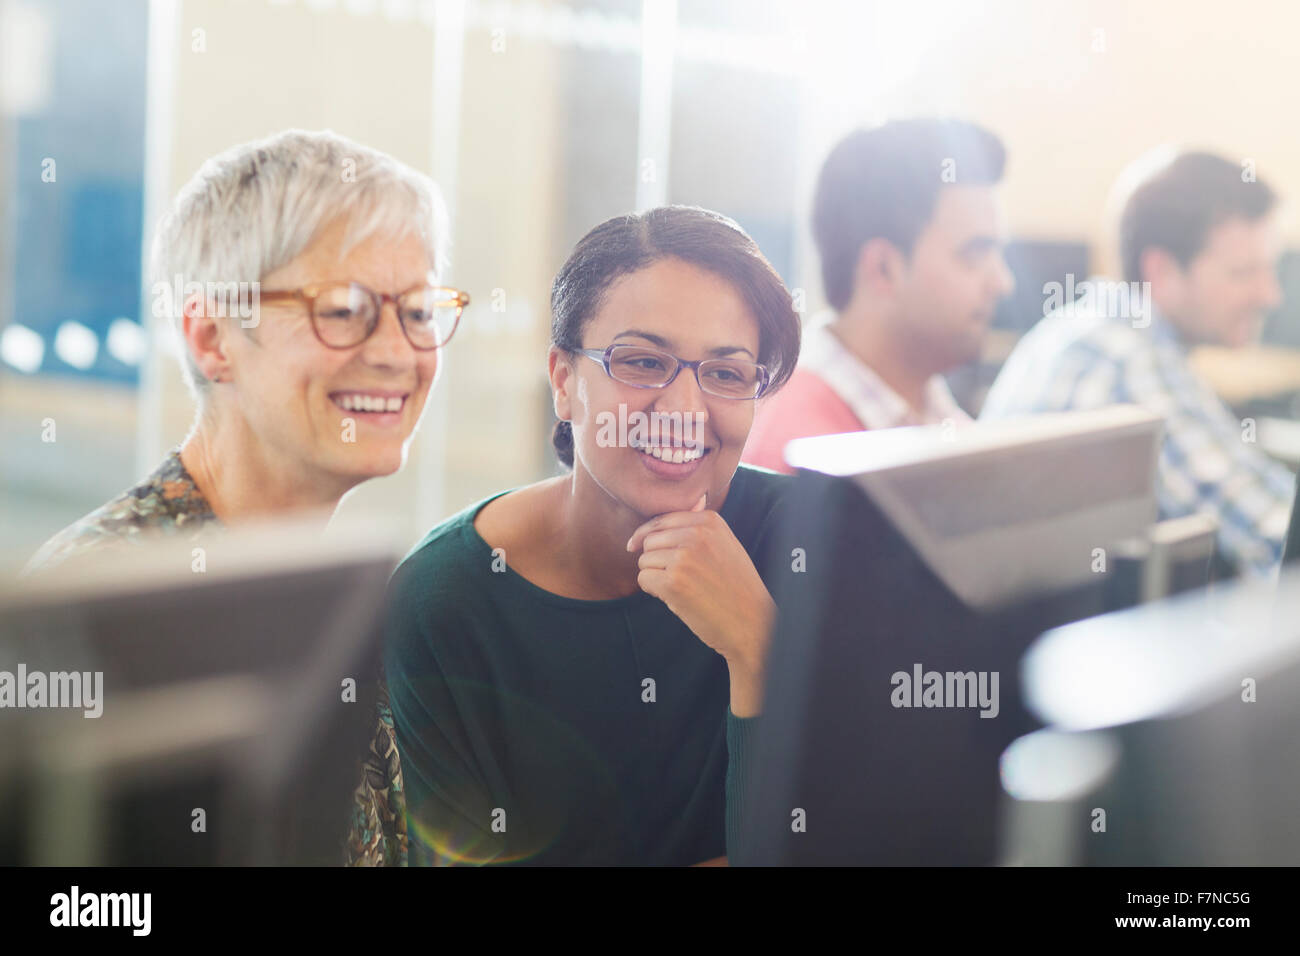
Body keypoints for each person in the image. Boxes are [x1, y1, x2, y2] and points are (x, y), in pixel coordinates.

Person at [24, 128, 469, 865]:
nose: (398, 352)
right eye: (343, 308)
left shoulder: (333, 592)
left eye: (419, 310)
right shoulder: (110, 597)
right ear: (211, 337)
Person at [384, 206, 801, 865]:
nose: (686, 412)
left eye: (725, 374)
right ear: (562, 380)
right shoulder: (444, 601)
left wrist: (760, 651)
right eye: (641, 362)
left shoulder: (808, 544)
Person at [980, 149, 1292, 578]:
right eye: (1243, 273)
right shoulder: (1124, 355)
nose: (1269, 295)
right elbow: (1272, 529)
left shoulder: (1097, 330)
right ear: (1160, 271)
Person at [742, 118, 1014, 473]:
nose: (1002, 282)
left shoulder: (931, 411)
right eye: (974, 254)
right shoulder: (800, 456)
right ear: (884, 268)